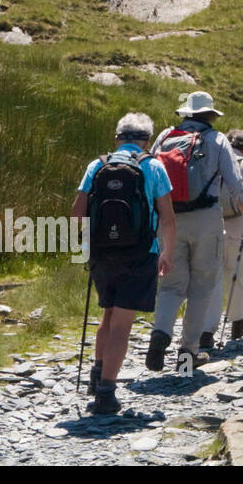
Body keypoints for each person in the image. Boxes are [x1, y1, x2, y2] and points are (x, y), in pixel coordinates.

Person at [71, 113, 176, 415]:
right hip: (140, 254)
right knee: (122, 325)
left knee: (108, 314)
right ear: (147, 140)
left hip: (102, 254)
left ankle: (97, 372)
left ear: (117, 137)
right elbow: (167, 217)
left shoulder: (97, 165)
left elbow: (77, 213)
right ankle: (106, 393)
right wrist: (167, 252)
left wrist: (88, 244)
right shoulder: (153, 166)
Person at [146, 91, 243, 371]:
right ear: (211, 115)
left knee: (171, 285)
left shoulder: (166, 136)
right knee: (201, 288)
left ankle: (160, 333)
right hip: (206, 219)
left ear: (186, 113)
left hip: (169, 220)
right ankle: (186, 357)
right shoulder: (217, 139)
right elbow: (234, 180)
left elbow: (151, 169)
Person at [202, 129, 243, 347]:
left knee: (211, 278)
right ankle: (239, 320)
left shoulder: (210, 162)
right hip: (239, 230)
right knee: (236, 275)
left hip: (209, 227)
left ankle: (205, 332)